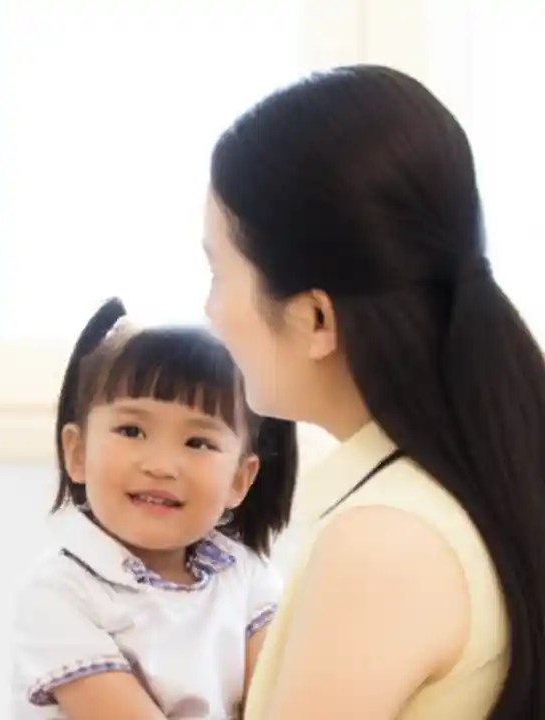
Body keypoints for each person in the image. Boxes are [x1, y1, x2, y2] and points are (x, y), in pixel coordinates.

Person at [204, 64, 545, 718]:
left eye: (218, 272)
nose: (212, 311)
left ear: (316, 319)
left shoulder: (384, 540)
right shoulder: (473, 479)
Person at [11, 298, 297, 719]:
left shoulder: (248, 577)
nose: (161, 466)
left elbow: (283, 704)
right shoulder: (60, 594)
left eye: (198, 442)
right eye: (132, 430)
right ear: (77, 452)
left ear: (240, 479)